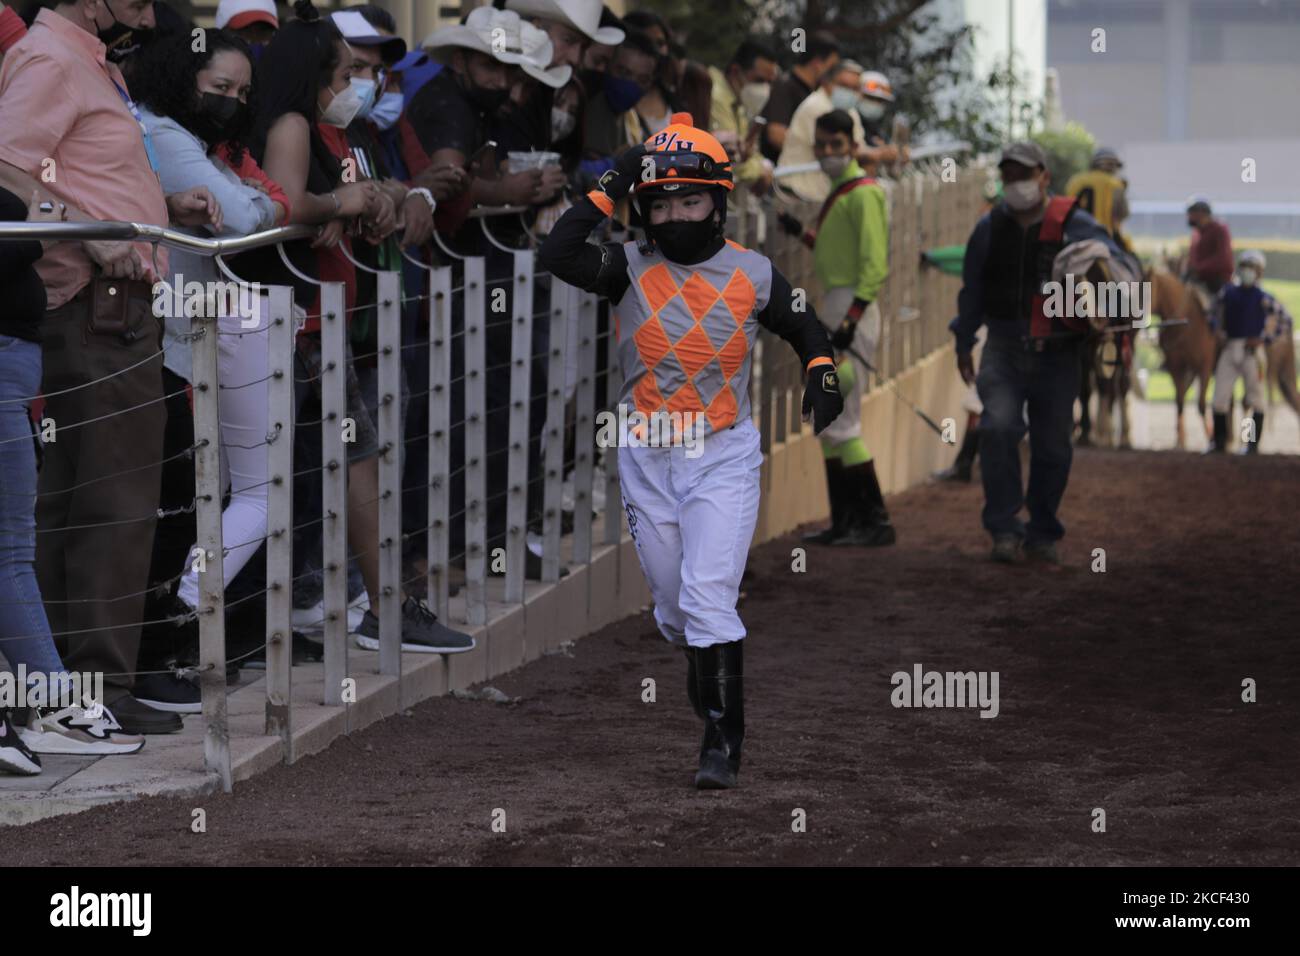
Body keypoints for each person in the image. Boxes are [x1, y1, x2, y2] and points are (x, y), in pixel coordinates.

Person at [538, 114, 843, 789]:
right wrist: (611, 181)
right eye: (661, 203)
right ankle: (705, 668)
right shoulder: (624, 265)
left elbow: (805, 325)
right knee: (677, 612)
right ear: (642, 207)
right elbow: (556, 255)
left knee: (708, 598)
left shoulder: (754, 272)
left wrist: (823, 371)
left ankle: (721, 744)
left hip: (723, 455)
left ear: (720, 202)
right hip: (644, 453)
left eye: (692, 200)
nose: (676, 215)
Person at [0, 0, 224, 735]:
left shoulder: (76, 57)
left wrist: (162, 205)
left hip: (104, 306)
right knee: (109, 503)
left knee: (90, 500)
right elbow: (4, 164)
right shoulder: (54, 57)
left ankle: (77, 686)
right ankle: (92, 688)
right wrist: (94, 237)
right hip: (94, 308)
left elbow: (65, 174)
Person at [252, 0, 474, 653]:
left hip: (325, 325)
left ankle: (361, 606)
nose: (353, 86)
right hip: (302, 326)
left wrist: (364, 202)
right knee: (305, 474)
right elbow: (289, 204)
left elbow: (317, 200)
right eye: (343, 72)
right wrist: (343, 202)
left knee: (345, 462)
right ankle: (338, 610)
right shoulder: (294, 122)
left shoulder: (326, 128)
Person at [131, 29, 292, 710]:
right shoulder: (162, 133)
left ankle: (178, 638)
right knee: (180, 505)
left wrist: (255, 197)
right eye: (218, 88)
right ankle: (160, 643)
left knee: (208, 494)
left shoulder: (194, 141)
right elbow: (247, 213)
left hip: (196, 331)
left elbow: (256, 205)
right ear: (180, 75)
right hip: (172, 334)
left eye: (241, 92)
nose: (230, 103)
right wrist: (255, 195)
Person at [0, 186, 146, 768]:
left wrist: (42, 220)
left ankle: (50, 704)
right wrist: (40, 226)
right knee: (10, 550)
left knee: (11, 548)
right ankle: (53, 704)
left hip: (13, 369)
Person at [949, 142, 1134, 565]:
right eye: (1009, 175)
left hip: (1058, 353)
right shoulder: (988, 228)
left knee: (1053, 446)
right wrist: (963, 340)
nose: (1017, 184)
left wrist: (1107, 306)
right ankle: (1004, 530)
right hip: (1002, 349)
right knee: (997, 429)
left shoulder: (1077, 225)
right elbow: (972, 290)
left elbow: (1119, 267)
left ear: (1045, 177)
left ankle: (1043, 531)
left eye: (1024, 175)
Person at [780, 109, 893, 547]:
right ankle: (846, 523)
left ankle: (875, 522)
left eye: (836, 144)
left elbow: (874, 264)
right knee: (828, 420)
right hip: (838, 307)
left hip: (852, 310)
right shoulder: (843, 192)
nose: (828, 152)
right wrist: (800, 234)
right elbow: (838, 250)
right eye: (821, 145)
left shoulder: (864, 193)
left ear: (852, 143)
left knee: (843, 418)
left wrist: (851, 320)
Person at [1207, 250, 1291, 454]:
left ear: (1259, 272)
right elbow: (1211, 312)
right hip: (1230, 348)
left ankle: (1250, 443)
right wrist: (1216, 330)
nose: (1247, 272)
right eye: (1245, 267)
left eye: (1252, 268)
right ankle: (1219, 442)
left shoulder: (1263, 298)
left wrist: (1264, 339)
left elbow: (1286, 320)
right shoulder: (1228, 292)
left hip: (1252, 353)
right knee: (1219, 398)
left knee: (1254, 399)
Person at [775, 59, 868, 202]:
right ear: (826, 82)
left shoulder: (850, 111)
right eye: (843, 85)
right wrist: (883, 154)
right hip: (797, 193)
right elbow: (856, 151)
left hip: (822, 194)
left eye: (854, 88)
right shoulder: (816, 106)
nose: (848, 92)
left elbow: (859, 147)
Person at [708, 38, 778, 197]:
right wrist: (762, 170)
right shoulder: (716, 97)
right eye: (759, 80)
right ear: (735, 71)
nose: (765, 89)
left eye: (769, 82)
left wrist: (760, 166)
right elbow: (733, 160)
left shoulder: (738, 99)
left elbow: (749, 151)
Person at [757, 29, 839, 164]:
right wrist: (815, 152)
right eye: (832, 68)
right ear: (818, 63)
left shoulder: (811, 92)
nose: (833, 74)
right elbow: (776, 134)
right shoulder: (785, 86)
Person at [1065, 147, 1131, 248]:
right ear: (1113, 166)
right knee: (1132, 261)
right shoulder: (1115, 184)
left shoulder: (1075, 181)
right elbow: (1122, 214)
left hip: (1074, 238)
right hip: (1104, 239)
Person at [1183, 196, 1233, 312]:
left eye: (1191, 213)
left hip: (1216, 284)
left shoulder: (1220, 230)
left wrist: (1198, 268)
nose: (1189, 217)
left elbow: (1223, 260)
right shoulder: (1196, 233)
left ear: (1201, 214)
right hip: (1197, 281)